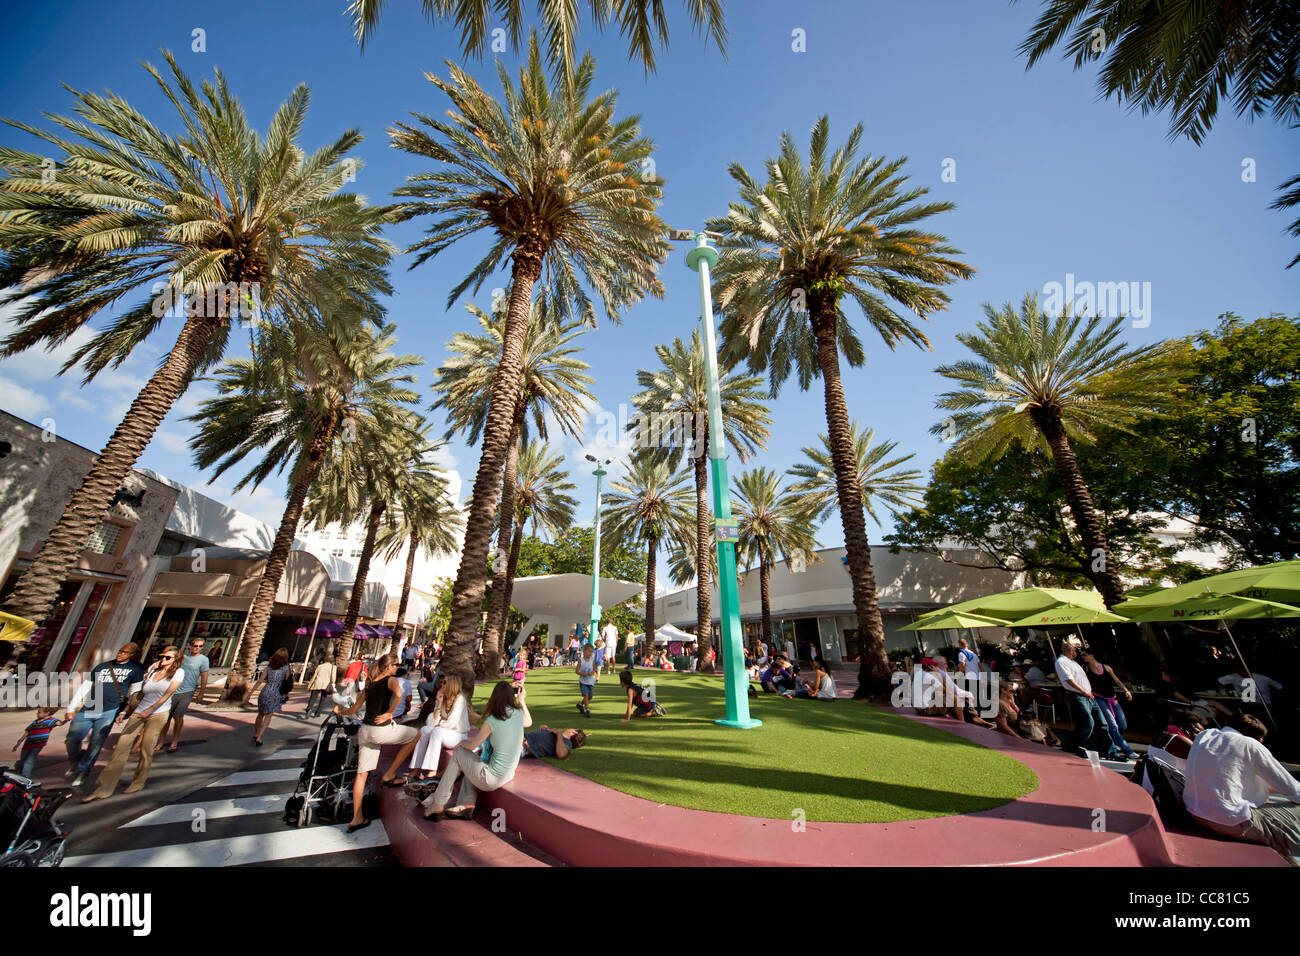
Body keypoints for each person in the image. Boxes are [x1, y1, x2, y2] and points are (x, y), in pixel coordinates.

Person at [1184, 714, 1300, 863]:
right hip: (1230, 822)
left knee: (1270, 812)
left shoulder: (1204, 736)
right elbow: (1293, 790)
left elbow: (1229, 778)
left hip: (1198, 814)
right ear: (1260, 740)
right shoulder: (1250, 745)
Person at [82, 646, 184, 801]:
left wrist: (150, 709)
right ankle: (104, 788)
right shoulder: (153, 672)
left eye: (167, 657)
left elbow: (168, 694)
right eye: (162, 656)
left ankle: (138, 782)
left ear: (176, 660)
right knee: (121, 748)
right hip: (139, 711)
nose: (163, 659)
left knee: (146, 749)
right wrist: (125, 711)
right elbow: (139, 693)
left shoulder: (178, 673)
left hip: (158, 714)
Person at [331, 653, 420, 832]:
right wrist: (390, 713)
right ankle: (390, 774)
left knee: (361, 774)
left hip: (365, 730)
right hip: (380, 730)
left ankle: (357, 818)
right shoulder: (391, 680)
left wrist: (340, 712)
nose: (397, 667)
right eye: (396, 665)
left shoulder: (370, 685)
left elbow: (354, 709)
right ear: (388, 667)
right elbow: (398, 695)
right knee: (416, 735)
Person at [421, 681, 532, 821]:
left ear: (494, 698)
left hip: (491, 778)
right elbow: (528, 722)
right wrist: (522, 701)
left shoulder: (492, 720)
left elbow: (473, 744)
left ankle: (438, 803)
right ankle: (466, 805)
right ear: (511, 697)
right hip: (508, 774)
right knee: (471, 760)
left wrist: (460, 744)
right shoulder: (517, 714)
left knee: (460, 753)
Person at [64, 642, 145, 788]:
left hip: (110, 709)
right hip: (89, 707)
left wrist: (124, 711)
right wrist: (71, 707)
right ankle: (75, 761)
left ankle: (84, 771)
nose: (121, 654)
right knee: (72, 739)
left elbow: (134, 693)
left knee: (96, 741)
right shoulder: (102, 666)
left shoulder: (136, 668)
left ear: (133, 655)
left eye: (126, 652)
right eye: (120, 651)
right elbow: (86, 686)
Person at [409, 674, 472, 780]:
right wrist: (438, 704)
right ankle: (416, 769)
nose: (441, 685)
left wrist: (439, 725)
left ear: (452, 685)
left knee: (437, 731)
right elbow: (430, 722)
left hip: (458, 735)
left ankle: (432, 771)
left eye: (444, 683)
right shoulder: (443, 699)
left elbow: (452, 722)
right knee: (424, 730)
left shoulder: (460, 699)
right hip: (444, 732)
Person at [155, 635, 209, 754]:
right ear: (190, 646)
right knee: (166, 717)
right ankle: (161, 741)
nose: (197, 648)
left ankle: (175, 741)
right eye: (195, 645)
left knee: (178, 717)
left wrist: (201, 692)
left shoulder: (204, 660)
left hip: (187, 691)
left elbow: (205, 675)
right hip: (173, 690)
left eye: (200, 646)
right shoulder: (182, 658)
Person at [1081, 651, 1137, 761]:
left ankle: (1115, 740)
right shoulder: (1085, 668)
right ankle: (1128, 750)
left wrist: (1126, 690)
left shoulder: (1106, 668)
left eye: (1084, 654)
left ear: (1092, 655)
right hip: (1099, 698)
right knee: (1112, 725)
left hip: (1112, 698)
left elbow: (1116, 680)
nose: (1082, 657)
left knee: (1122, 724)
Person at [1055, 640, 1106, 758]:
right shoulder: (1061, 662)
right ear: (1069, 651)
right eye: (1075, 650)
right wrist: (1084, 692)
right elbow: (1069, 680)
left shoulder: (1073, 663)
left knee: (1101, 722)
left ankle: (1107, 748)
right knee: (1088, 722)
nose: (1076, 653)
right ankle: (1080, 746)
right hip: (1079, 695)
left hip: (1088, 695)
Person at [249, 648, 292, 746]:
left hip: (265, 691)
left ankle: (256, 734)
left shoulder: (269, 667)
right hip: (276, 693)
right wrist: (286, 693)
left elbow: (260, 681)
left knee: (260, 714)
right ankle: (259, 737)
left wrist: (250, 692)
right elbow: (287, 682)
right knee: (268, 716)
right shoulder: (285, 668)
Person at [12, 707, 64, 778]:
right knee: (23, 759)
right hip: (28, 743)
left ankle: (25, 776)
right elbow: (27, 731)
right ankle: (21, 774)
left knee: (29, 760)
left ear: (47, 713)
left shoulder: (51, 721)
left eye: (39, 712)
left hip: (38, 744)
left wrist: (66, 720)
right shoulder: (35, 721)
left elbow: (60, 723)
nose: (37, 714)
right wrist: (19, 742)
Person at [1218, 664, 1282, 706]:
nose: (1240, 671)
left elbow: (1279, 687)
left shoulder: (1262, 678)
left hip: (1263, 704)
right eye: (1238, 670)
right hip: (1245, 704)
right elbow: (1219, 682)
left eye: (1242, 669)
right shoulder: (1233, 677)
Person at [575, 643, 597, 717]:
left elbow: (595, 668)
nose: (590, 653)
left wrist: (593, 672)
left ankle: (580, 704)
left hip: (590, 681)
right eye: (589, 651)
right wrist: (582, 674)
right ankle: (587, 710)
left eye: (591, 652)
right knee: (586, 695)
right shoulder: (581, 660)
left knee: (589, 697)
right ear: (584, 651)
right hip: (583, 681)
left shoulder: (592, 660)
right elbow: (577, 671)